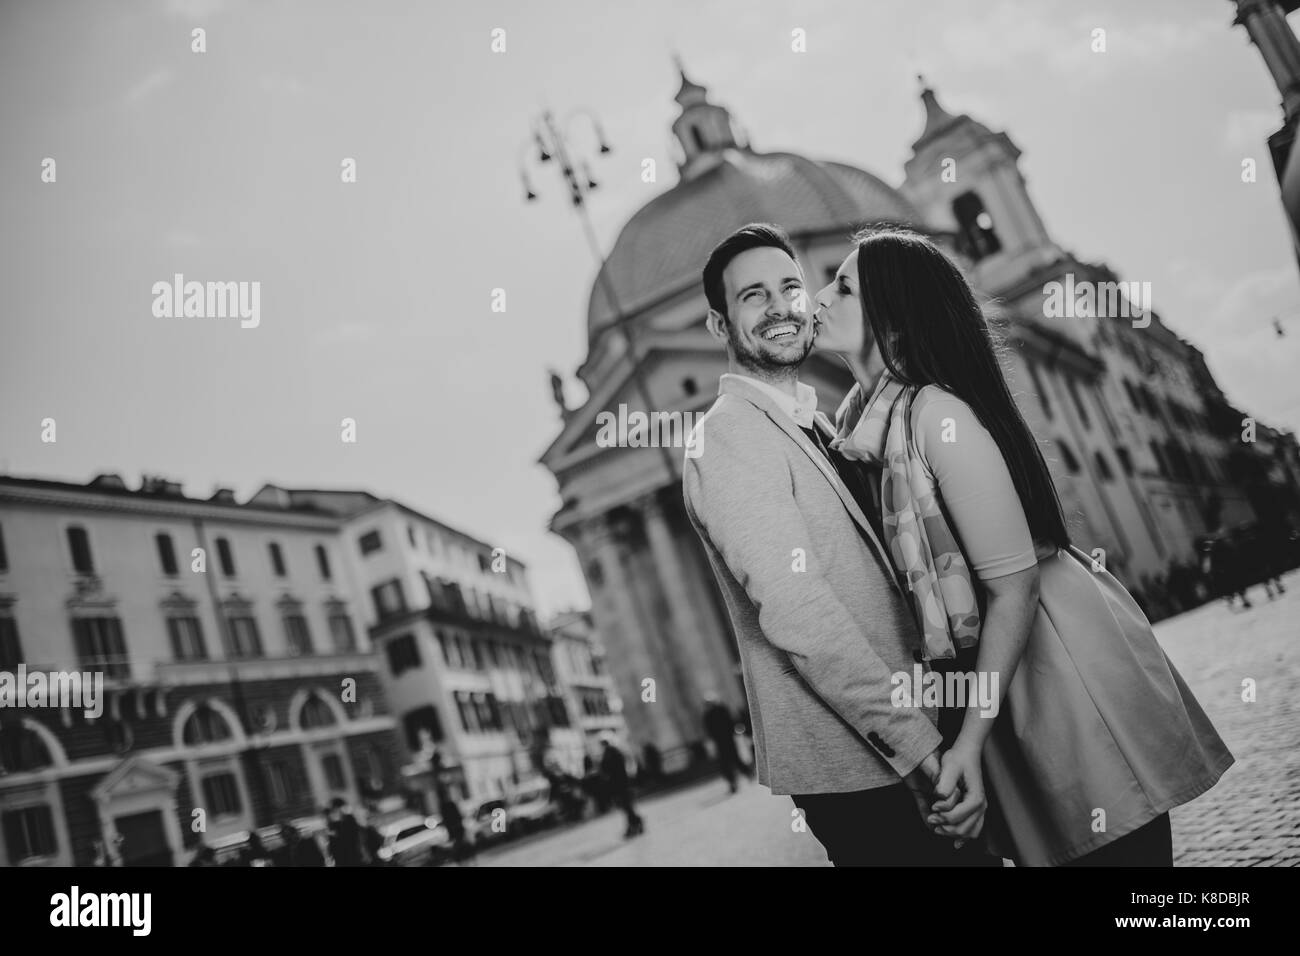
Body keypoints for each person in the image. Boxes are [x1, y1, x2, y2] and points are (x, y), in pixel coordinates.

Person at [811, 226, 1235, 865]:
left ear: (894, 325)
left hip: (1056, 667)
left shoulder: (933, 414)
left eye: (843, 287)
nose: (817, 298)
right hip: (1005, 673)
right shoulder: (861, 426)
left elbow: (1014, 587)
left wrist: (969, 741)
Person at [683, 223, 986, 866]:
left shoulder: (813, 417)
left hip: (904, 738)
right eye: (753, 297)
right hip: (868, 765)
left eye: (791, 287)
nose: (781, 307)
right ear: (717, 326)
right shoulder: (730, 435)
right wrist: (921, 750)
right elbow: (799, 614)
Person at [599, 735, 644, 838]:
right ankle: (635, 825)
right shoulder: (611, 752)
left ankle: (635, 825)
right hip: (618, 784)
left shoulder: (612, 752)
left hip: (620, 783)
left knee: (626, 805)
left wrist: (607, 774)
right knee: (626, 806)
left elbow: (613, 767)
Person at [701, 694, 745, 793]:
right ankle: (733, 781)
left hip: (726, 740)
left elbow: (730, 722)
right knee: (727, 762)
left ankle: (741, 775)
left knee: (733, 759)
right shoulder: (710, 714)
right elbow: (709, 730)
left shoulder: (720, 710)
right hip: (722, 742)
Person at [326, 797, 366, 867]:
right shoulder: (333, 825)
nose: (333, 813)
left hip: (353, 858)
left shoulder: (349, 821)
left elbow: (352, 840)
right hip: (345, 860)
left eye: (334, 810)